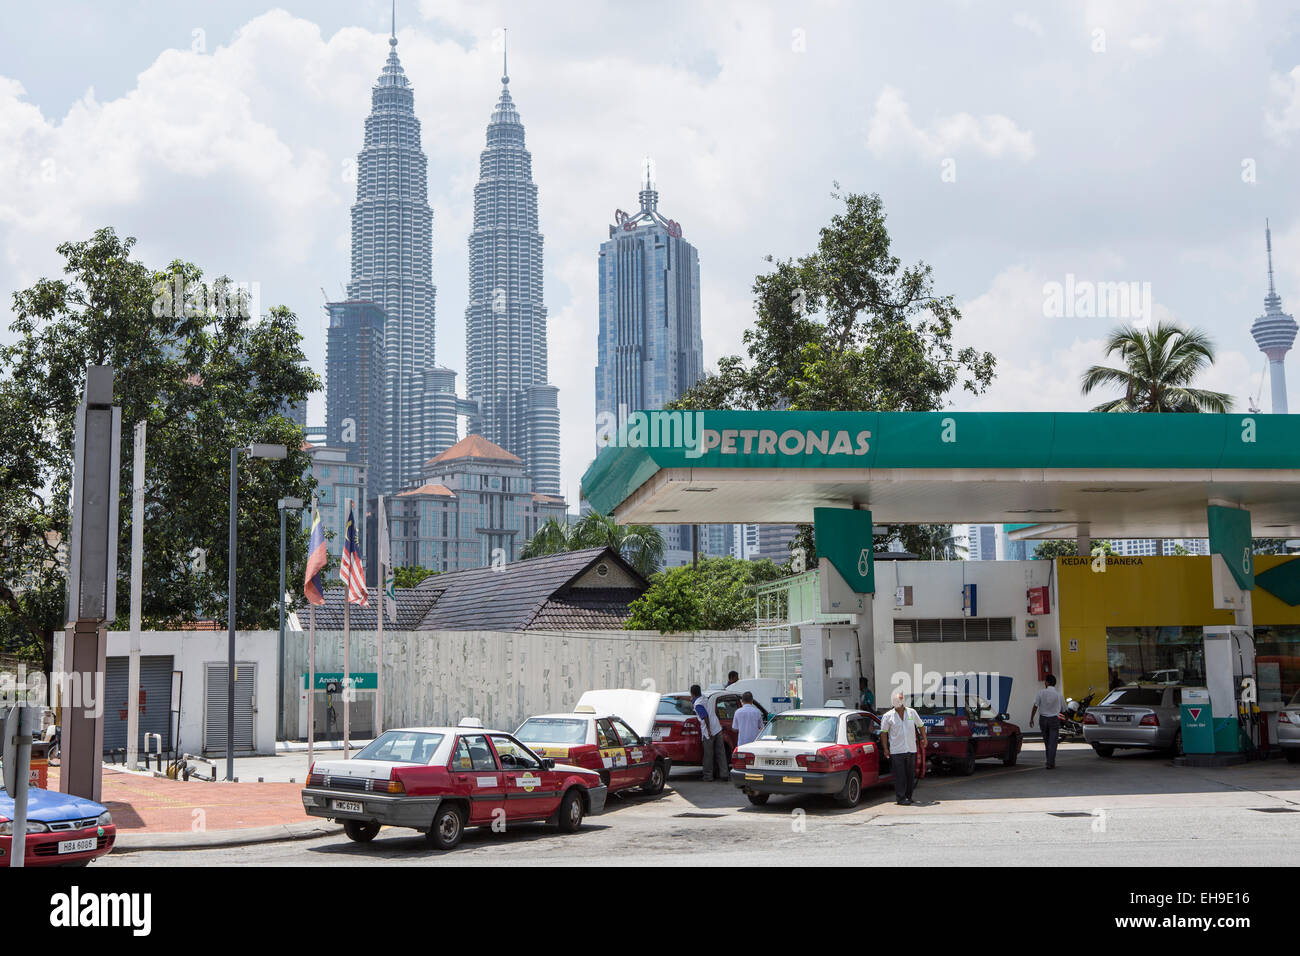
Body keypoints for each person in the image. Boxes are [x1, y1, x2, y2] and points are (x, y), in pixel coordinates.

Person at [879, 691, 926, 805]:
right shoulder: (888, 716)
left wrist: (924, 738)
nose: (899, 702)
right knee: (900, 776)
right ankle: (900, 798)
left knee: (910, 775)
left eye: (901, 700)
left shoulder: (912, 712)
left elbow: (920, 725)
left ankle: (908, 797)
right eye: (897, 700)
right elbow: (883, 733)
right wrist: (885, 749)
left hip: (911, 749)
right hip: (897, 751)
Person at [691, 684, 727, 781]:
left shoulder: (698, 704)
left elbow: (705, 716)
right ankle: (724, 774)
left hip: (709, 731)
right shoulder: (704, 698)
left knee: (708, 755)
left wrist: (708, 730)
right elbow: (692, 699)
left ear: (692, 694)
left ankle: (708, 776)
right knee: (721, 753)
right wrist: (680, 697)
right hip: (717, 728)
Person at [1029, 674, 1066, 769]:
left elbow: (1035, 706)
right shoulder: (1059, 695)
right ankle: (1050, 762)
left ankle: (1049, 761)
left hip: (1043, 719)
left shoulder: (1040, 693)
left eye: (1045, 681)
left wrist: (1031, 718)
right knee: (1053, 742)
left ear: (1047, 683)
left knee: (1047, 742)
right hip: (1054, 719)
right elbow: (1064, 709)